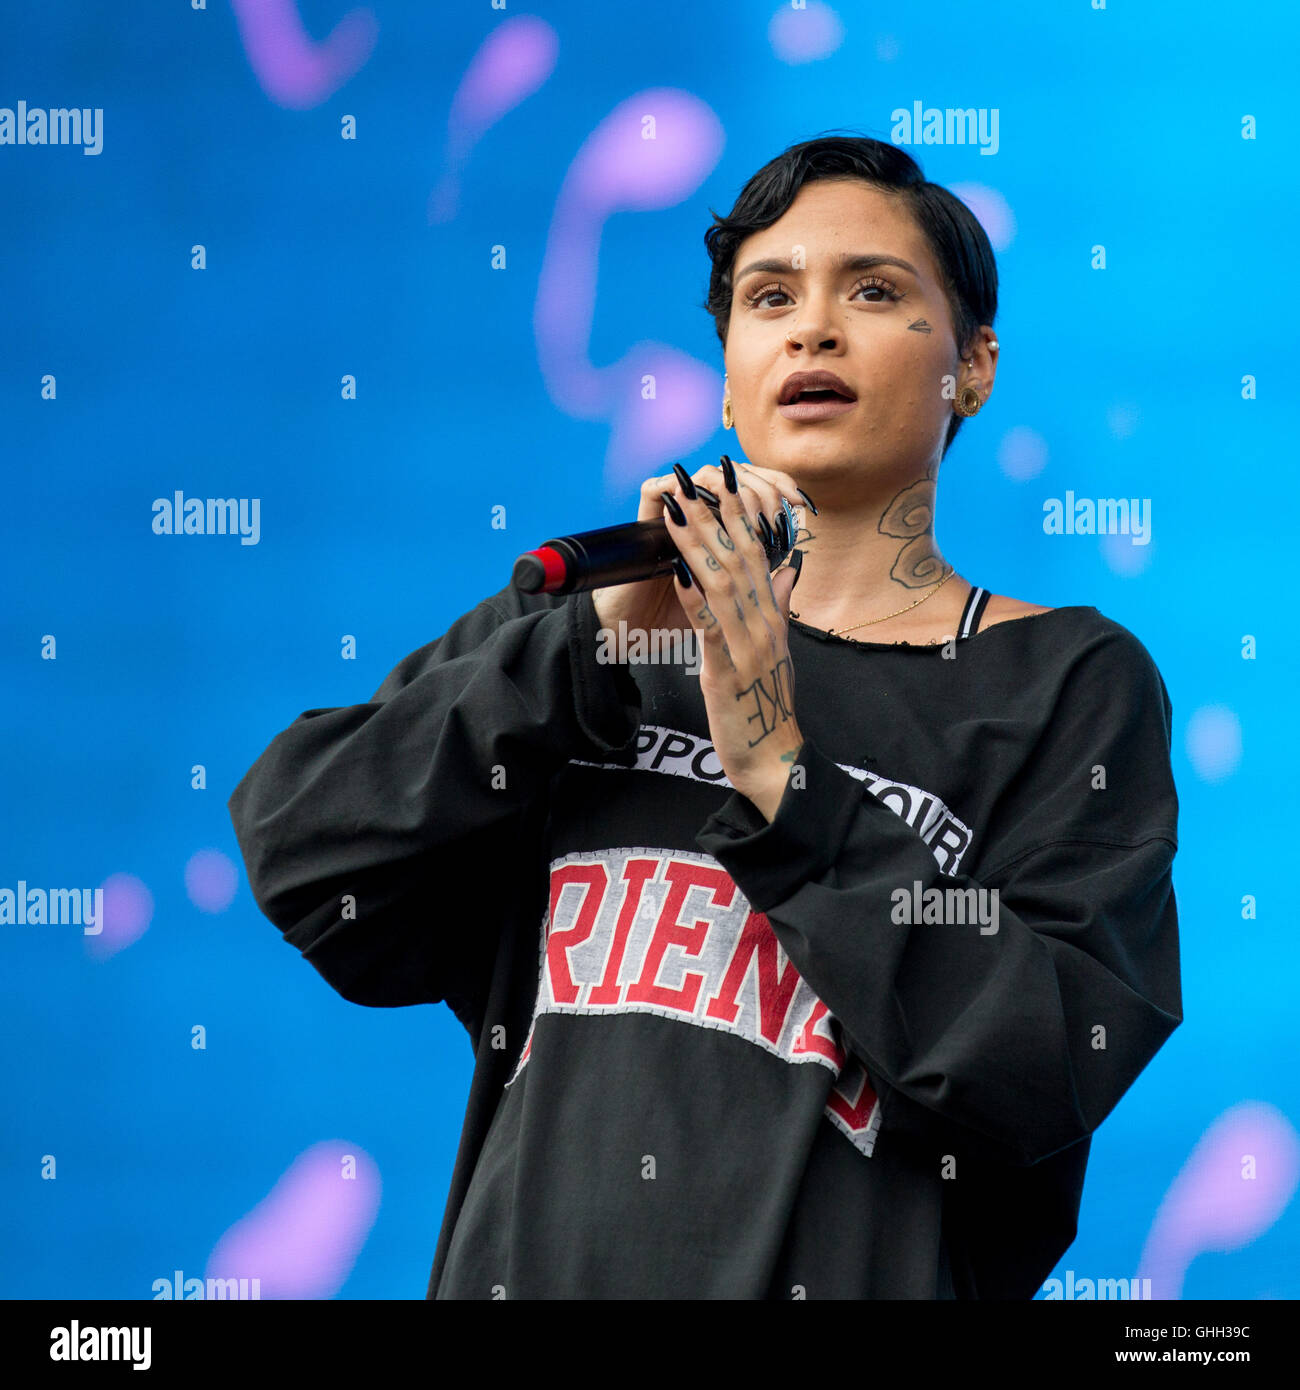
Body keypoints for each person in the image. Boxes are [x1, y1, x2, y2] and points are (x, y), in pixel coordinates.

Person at [227, 134, 1181, 1300]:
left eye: (873, 292)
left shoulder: (1066, 682)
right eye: (768, 298)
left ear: (973, 367)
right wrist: (587, 654)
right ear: (728, 377)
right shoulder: (587, 628)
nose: (811, 329)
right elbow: (304, 851)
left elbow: (1044, 1064)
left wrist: (783, 774)